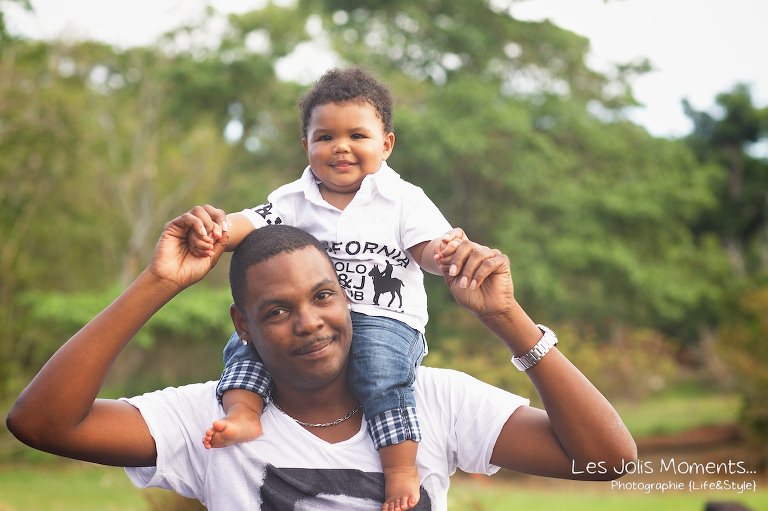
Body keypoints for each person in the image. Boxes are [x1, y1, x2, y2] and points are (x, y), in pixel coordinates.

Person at [6, 206, 637, 511]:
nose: (309, 322)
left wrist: (507, 319)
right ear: (242, 327)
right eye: (276, 311)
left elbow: (608, 461)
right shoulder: (210, 419)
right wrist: (160, 282)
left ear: (348, 297)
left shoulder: (433, 399)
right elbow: (43, 424)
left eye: (323, 296)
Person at [193, 67, 468, 510]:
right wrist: (217, 231)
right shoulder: (292, 199)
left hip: (384, 318)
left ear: (386, 144)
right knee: (247, 346)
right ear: (306, 146)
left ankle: (399, 466)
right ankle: (243, 413)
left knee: (379, 373)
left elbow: (426, 249)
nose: (340, 147)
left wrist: (449, 254)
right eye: (324, 137)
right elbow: (252, 222)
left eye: (357, 135)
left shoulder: (402, 199)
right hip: (311, 315)